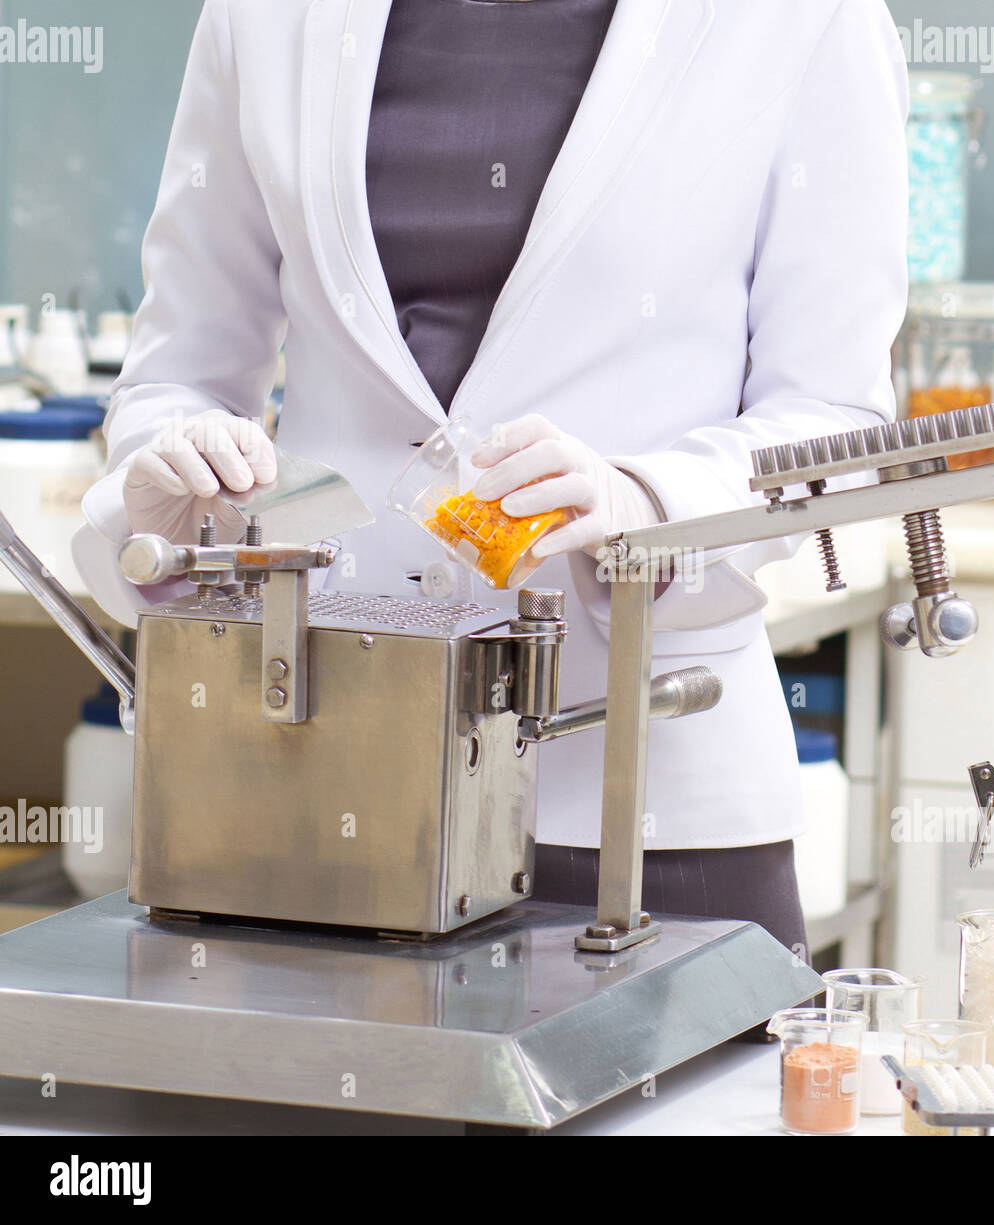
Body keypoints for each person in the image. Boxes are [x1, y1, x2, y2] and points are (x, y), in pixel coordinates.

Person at [74, 0, 909, 958]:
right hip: (316, 776)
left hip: (642, 802)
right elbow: (179, 372)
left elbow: (837, 418)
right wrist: (172, 474)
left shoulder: (802, 20)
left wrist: (648, 500)